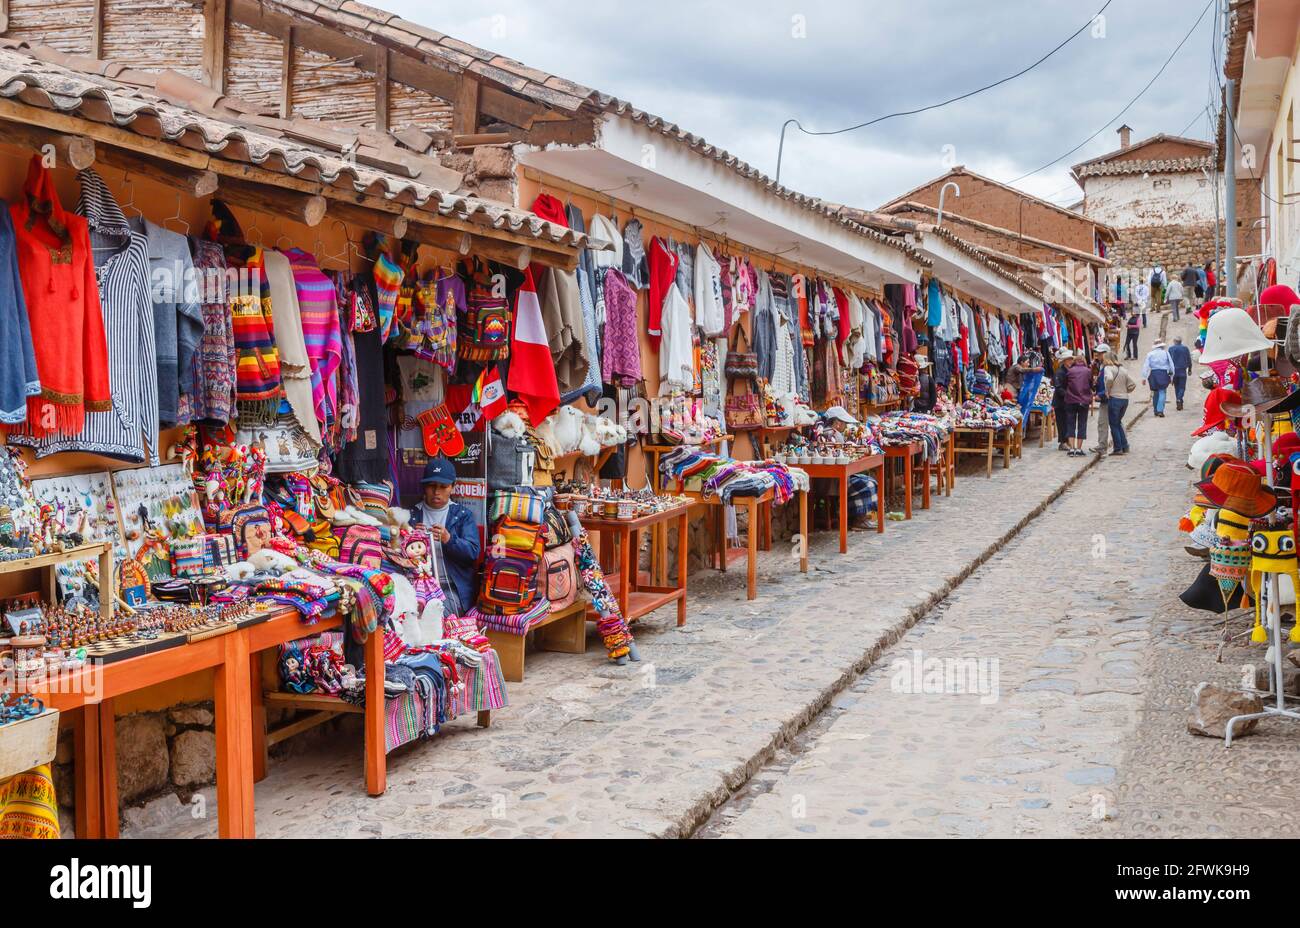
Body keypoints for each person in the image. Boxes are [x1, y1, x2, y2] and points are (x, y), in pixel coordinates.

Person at [411, 456, 481, 616]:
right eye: (431, 486)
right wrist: (410, 538)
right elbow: (399, 555)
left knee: (437, 613)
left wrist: (449, 539)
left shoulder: (463, 515)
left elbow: (473, 553)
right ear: (424, 487)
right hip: (418, 586)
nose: (437, 492)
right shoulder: (413, 515)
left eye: (443, 487)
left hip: (450, 588)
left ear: (453, 487)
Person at [821, 406, 878, 528]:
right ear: (837, 423)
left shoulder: (828, 433)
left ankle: (857, 517)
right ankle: (857, 519)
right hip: (834, 479)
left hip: (836, 475)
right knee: (868, 484)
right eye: (844, 423)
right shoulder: (832, 434)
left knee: (869, 480)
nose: (845, 426)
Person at [1103, 351, 1135, 455]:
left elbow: (1110, 378)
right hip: (1124, 399)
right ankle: (1124, 445)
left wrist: (1107, 390)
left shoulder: (1108, 368)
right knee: (1118, 423)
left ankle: (1118, 448)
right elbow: (1132, 384)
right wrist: (1125, 391)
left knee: (1113, 424)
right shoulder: (1123, 369)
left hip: (1114, 398)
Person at [1063, 349, 1093, 457]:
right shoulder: (1088, 371)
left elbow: (1066, 384)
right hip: (1083, 400)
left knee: (1070, 423)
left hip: (1071, 400)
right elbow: (1090, 384)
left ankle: (1072, 448)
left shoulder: (1070, 371)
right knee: (1082, 424)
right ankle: (1079, 449)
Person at [1142, 339, 1175, 418]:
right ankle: (1160, 410)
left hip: (1153, 374)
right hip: (1163, 374)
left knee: (1155, 392)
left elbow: (1146, 366)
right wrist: (1172, 377)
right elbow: (1171, 365)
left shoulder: (1150, 354)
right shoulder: (1166, 353)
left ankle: (1155, 410)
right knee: (1162, 392)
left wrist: (1144, 377)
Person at [1090, 344, 1110, 455]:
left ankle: (1102, 446)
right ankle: (1122, 444)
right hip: (1106, 398)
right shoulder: (1100, 365)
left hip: (1107, 398)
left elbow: (1109, 385)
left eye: (1100, 353)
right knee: (1113, 422)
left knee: (1103, 423)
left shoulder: (1107, 367)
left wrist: (1100, 394)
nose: (1098, 355)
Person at [1013, 349, 1044, 419]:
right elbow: (1022, 370)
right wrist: (1034, 370)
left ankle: (1022, 427)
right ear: (1021, 362)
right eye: (1027, 362)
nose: (1029, 364)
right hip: (1013, 394)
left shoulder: (1022, 370)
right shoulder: (1016, 367)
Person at [1052, 348, 1072, 451]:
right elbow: (1058, 387)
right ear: (1064, 361)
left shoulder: (1068, 371)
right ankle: (1062, 442)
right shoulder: (1059, 372)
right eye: (1069, 360)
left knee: (1067, 421)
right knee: (1061, 422)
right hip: (1060, 402)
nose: (1070, 362)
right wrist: (1069, 394)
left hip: (1067, 401)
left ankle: (1066, 440)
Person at [1168, 335, 1193, 411]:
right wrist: (1189, 369)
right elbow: (1189, 359)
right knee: (1182, 387)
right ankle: (1179, 399)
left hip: (1174, 371)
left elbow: (1168, 361)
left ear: (1175, 341)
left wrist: (1169, 372)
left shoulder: (1171, 349)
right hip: (1182, 370)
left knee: (1176, 387)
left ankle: (1179, 401)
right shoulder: (1185, 348)